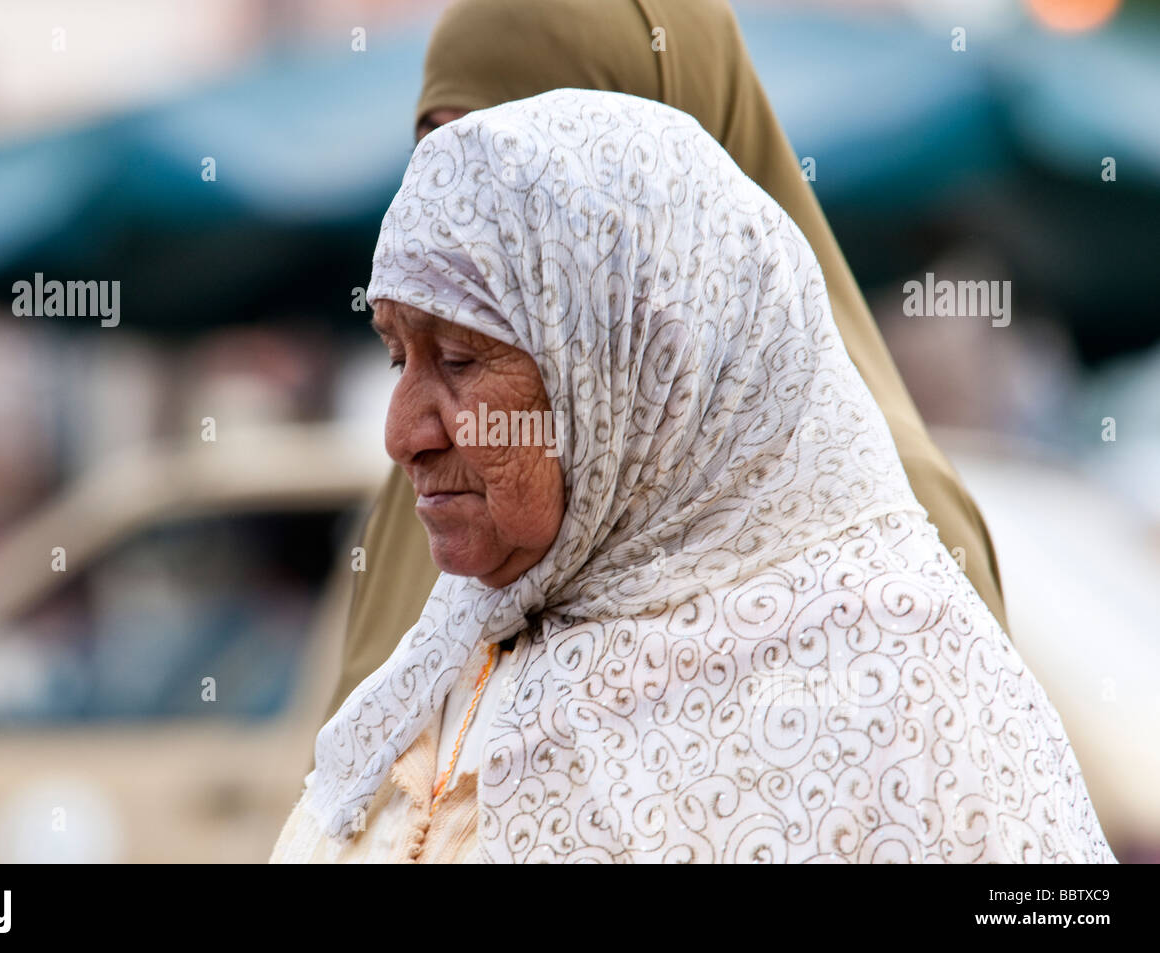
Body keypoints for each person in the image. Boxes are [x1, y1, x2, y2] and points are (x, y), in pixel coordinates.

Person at [271, 88, 1115, 863]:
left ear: (638, 370)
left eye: (459, 359)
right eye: (395, 356)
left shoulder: (905, 684)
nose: (401, 433)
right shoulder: (462, 644)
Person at [325, 0, 1010, 734]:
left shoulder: (885, 521)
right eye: (439, 151)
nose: (468, 204)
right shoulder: (432, 497)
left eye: (527, 151)